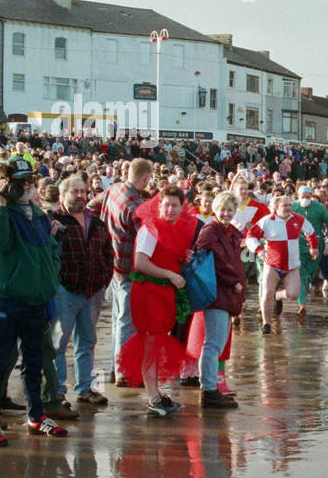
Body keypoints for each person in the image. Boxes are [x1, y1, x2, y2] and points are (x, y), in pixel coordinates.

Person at [0, 158, 67, 445]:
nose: (27, 187)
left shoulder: (41, 217)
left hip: (37, 302)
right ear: (7, 184)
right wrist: (1, 204)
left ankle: (36, 415)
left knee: (34, 361)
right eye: (20, 182)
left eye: (30, 181)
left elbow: (51, 254)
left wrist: (49, 283)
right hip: (6, 301)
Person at [121, 187, 196, 416]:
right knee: (150, 342)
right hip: (148, 292)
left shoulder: (174, 229)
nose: (171, 209)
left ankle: (156, 393)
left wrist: (183, 257)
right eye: (167, 205)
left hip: (164, 293)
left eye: (175, 205)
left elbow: (167, 255)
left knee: (157, 341)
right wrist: (170, 274)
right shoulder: (150, 229)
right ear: (159, 204)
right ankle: (153, 397)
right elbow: (140, 263)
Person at [50, 175, 115, 408]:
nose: (80, 195)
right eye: (74, 191)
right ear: (62, 194)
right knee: (57, 343)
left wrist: (103, 280)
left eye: (82, 191)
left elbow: (109, 253)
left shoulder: (97, 222)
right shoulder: (53, 221)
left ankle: (88, 389)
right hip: (64, 292)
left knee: (88, 342)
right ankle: (56, 392)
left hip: (92, 293)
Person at [90, 158, 152, 385]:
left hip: (112, 266)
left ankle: (117, 368)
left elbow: (91, 207)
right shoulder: (137, 206)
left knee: (119, 321)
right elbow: (147, 242)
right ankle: (123, 372)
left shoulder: (113, 189)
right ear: (146, 178)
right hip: (128, 270)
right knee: (126, 321)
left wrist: (104, 233)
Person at [194, 191, 246, 408]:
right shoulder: (210, 231)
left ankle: (211, 386)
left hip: (227, 292)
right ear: (215, 208)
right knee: (213, 344)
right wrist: (232, 281)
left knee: (218, 342)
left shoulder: (230, 232)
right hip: (217, 292)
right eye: (222, 209)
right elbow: (207, 261)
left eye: (229, 210)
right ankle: (208, 390)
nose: (225, 213)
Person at [246, 194, 319, 333]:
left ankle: (278, 296)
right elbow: (251, 236)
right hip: (272, 264)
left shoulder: (298, 219)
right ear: (276, 207)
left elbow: (311, 232)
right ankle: (266, 324)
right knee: (266, 293)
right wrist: (259, 249)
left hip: (291, 266)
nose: (288, 208)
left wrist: (313, 247)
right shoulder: (267, 221)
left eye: (289, 205)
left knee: (293, 294)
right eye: (284, 206)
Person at [292, 185, 328, 314]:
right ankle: (302, 304)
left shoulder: (319, 207)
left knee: (310, 272)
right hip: (298, 244)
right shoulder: (293, 206)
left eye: (308, 197)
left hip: (317, 244)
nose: (305, 199)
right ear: (298, 197)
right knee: (302, 273)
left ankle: (303, 292)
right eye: (302, 197)